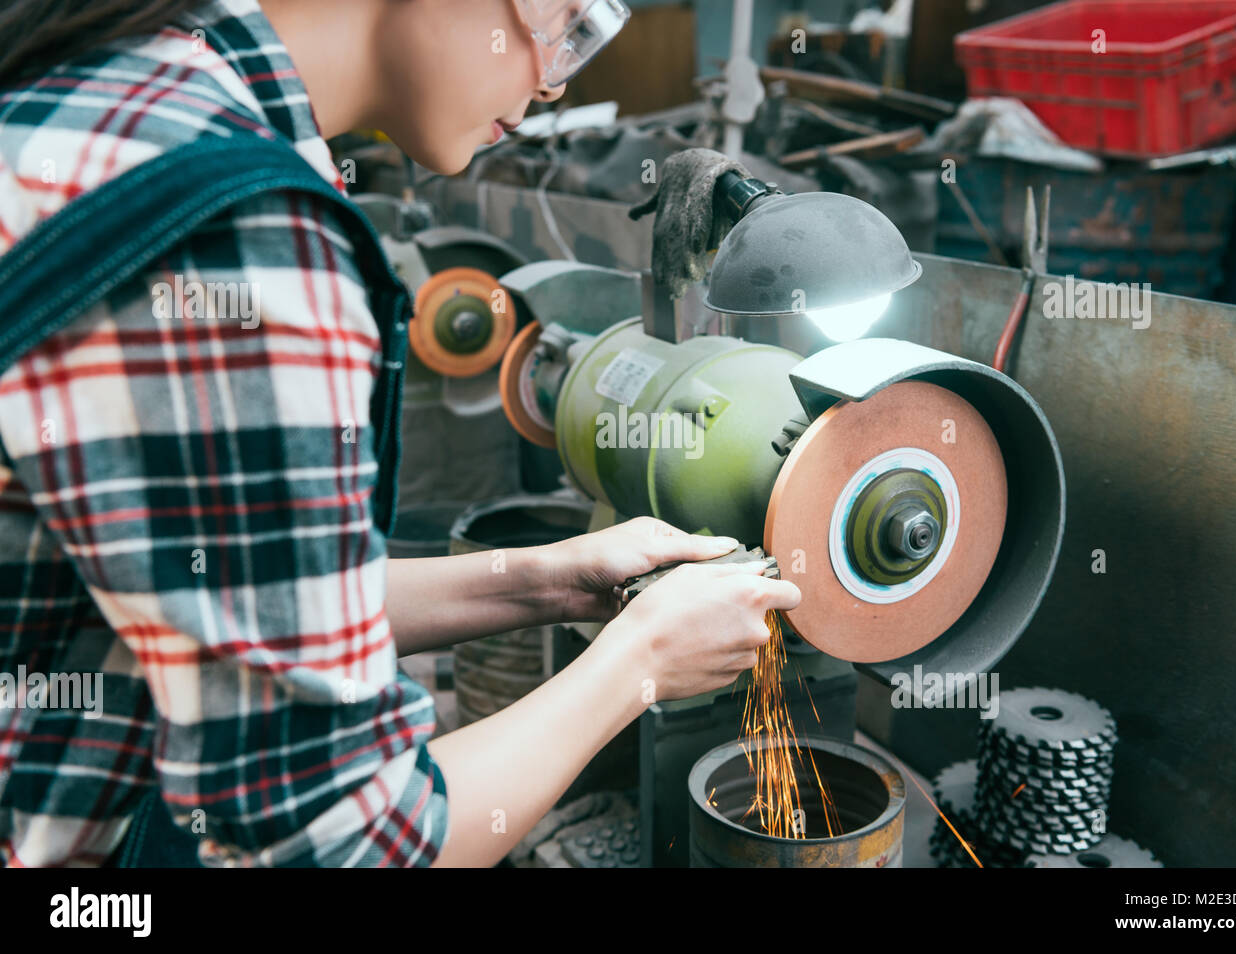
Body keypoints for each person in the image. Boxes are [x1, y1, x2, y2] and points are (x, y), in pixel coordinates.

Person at [0, 0, 801, 866]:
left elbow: (242, 595)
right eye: (564, 17)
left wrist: (547, 580)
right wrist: (639, 662)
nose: (557, 77)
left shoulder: (121, 97)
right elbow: (345, 844)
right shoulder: (247, 240)